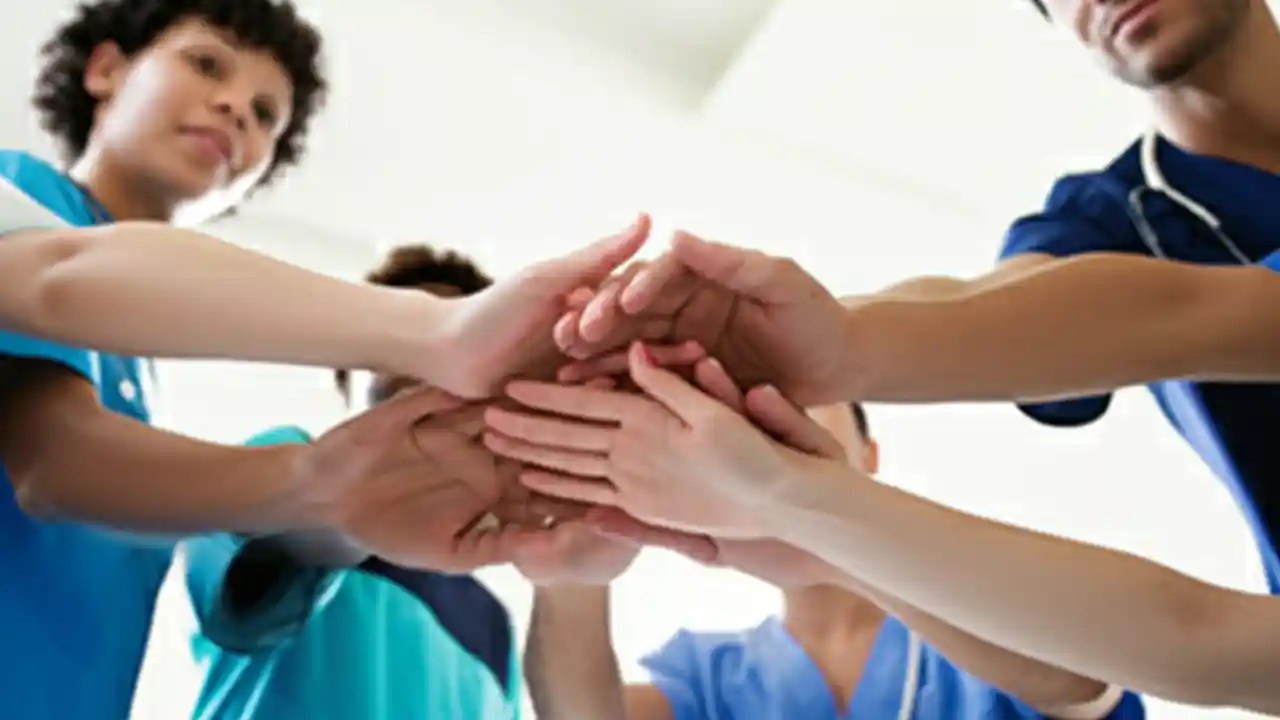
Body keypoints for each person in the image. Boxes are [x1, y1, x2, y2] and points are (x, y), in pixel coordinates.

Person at [0, 3, 618, 717]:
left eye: (267, 115)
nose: (236, 109)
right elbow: (54, 465)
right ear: (105, 69)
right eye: (206, 63)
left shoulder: (136, 379)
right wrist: (428, 347)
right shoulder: (28, 201)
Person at [513, 397, 1144, 720]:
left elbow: (1087, 683)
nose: (762, 422)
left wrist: (833, 543)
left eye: (791, 398)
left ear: (869, 455)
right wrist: (572, 583)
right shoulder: (716, 680)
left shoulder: (983, 620)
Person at [182, 246, 528, 720]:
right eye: (407, 338)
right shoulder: (281, 461)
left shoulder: (494, 624)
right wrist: (352, 520)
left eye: (462, 343)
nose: (429, 361)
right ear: (347, 372)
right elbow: (241, 613)